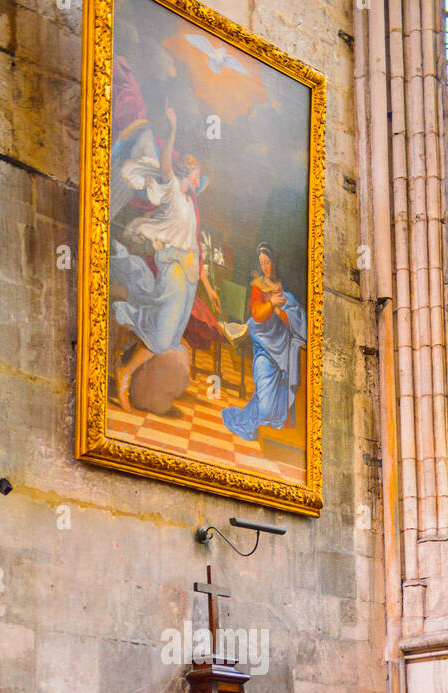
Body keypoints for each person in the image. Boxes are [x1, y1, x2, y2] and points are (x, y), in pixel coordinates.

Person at [111, 102, 221, 410]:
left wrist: (209, 289)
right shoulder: (173, 188)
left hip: (188, 275)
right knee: (161, 335)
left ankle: (126, 361)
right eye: (198, 175)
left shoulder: (190, 204)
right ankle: (125, 372)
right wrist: (172, 129)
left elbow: (196, 249)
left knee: (169, 338)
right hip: (173, 270)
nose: (200, 181)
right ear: (189, 172)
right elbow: (164, 165)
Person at [221, 243, 306, 441]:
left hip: (282, 348)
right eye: (262, 264)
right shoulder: (258, 286)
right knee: (265, 404)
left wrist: (281, 311)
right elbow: (257, 315)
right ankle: (250, 421)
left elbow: (293, 319)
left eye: (267, 262)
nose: (265, 267)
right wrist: (271, 304)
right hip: (264, 347)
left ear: (274, 261)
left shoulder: (284, 290)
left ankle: (270, 430)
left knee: (273, 402)